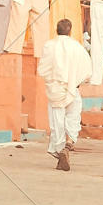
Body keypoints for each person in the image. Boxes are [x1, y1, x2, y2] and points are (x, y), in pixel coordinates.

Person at [38, 18, 92, 171]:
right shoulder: (77, 47)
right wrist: (75, 79)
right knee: (73, 120)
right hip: (72, 90)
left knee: (57, 124)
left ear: (56, 30)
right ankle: (68, 147)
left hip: (55, 90)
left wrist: (53, 80)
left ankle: (61, 150)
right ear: (70, 31)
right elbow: (87, 70)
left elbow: (43, 69)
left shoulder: (49, 45)